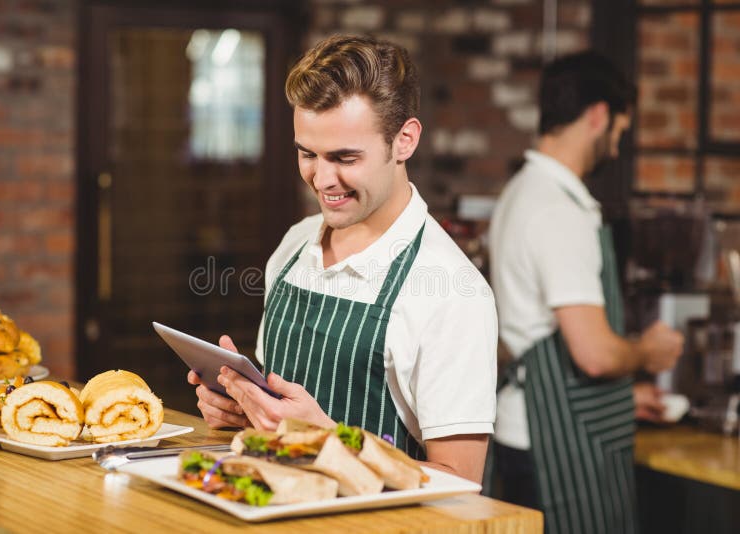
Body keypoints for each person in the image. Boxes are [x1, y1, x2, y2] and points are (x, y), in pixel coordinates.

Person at [187, 34, 497, 482]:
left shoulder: (452, 290)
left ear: (404, 141)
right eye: (307, 154)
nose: (323, 179)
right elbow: (281, 428)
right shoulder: (294, 247)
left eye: (345, 157)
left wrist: (331, 440)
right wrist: (245, 411)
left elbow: (461, 484)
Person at [486, 51, 684, 532]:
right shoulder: (559, 209)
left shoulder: (522, 190)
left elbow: (535, 335)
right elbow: (592, 353)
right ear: (598, 115)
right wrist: (649, 352)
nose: (616, 148)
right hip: (554, 445)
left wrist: (619, 397)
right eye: (618, 131)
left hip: (525, 425)